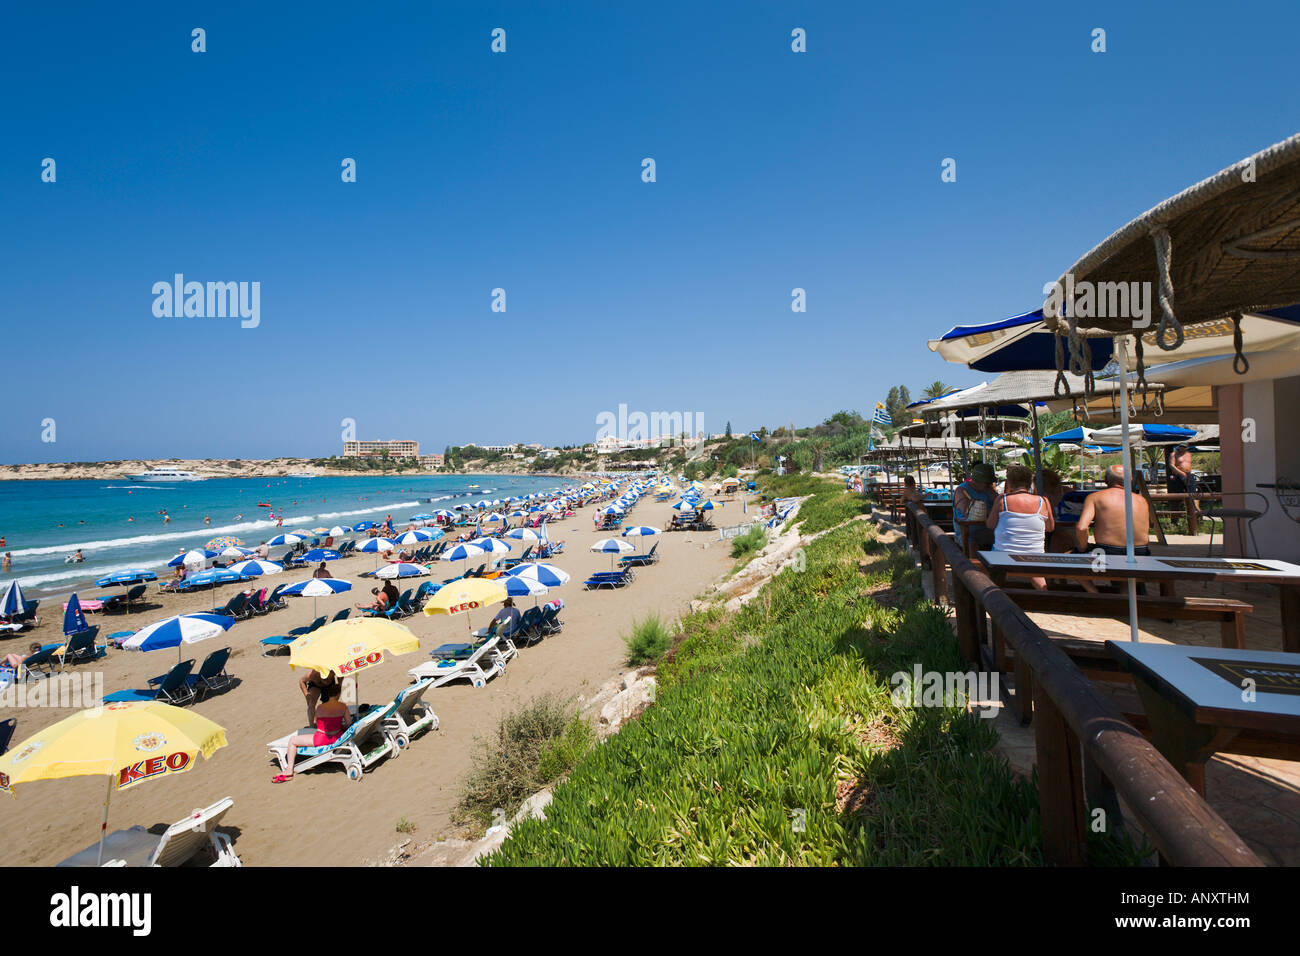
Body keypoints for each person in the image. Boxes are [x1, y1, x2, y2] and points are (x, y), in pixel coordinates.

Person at [987, 465, 1055, 589]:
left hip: (1003, 555)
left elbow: (990, 525)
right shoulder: (1043, 501)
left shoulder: (1002, 500)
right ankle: (1044, 594)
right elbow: (1050, 528)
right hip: (1035, 556)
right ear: (1030, 482)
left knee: (993, 569)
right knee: (1037, 575)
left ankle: (994, 595)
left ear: (1009, 482)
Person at [275, 677, 350, 783]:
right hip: (337, 737)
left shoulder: (320, 708)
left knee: (292, 740)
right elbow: (348, 724)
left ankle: (289, 769)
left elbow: (320, 725)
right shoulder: (343, 706)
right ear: (338, 694)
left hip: (322, 740)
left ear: (328, 694)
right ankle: (289, 769)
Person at [1077, 465, 1151, 556]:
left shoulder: (1095, 498)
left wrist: (1082, 548)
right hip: (1140, 551)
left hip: (1107, 550)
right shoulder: (1142, 500)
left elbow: (1082, 528)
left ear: (1105, 480)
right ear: (1130, 479)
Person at [953, 463, 997, 551]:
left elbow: (1000, 507)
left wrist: (995, 498)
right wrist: (992, 513)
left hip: (987, 531)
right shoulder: (962, 490)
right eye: (987, 482)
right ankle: (973, 565)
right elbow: (968, 513)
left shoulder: (989, 490)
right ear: (977, 481)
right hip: (966, 532)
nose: (989, 485)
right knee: (972, 543)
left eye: (990, 482)